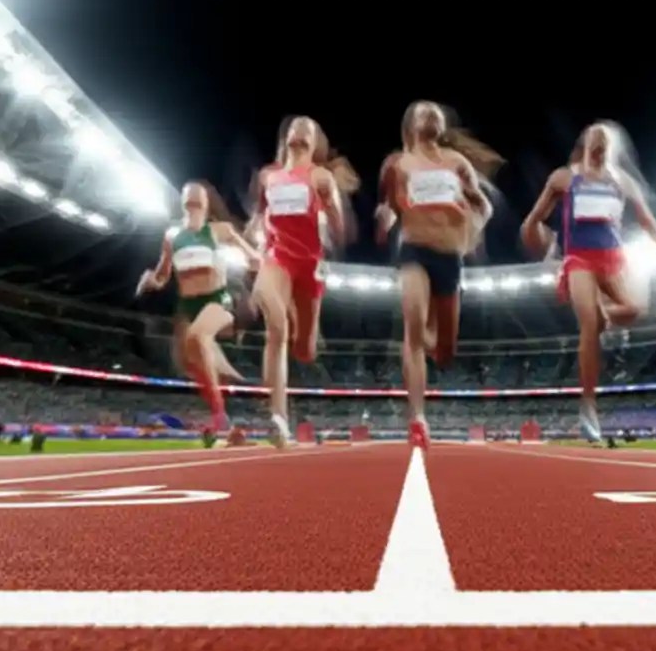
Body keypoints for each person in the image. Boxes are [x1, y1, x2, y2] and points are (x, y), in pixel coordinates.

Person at [519, 122, 656, 442]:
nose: (600, 145)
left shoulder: (622, 181)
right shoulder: (565, 177)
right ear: (584, 145)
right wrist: (540, 240)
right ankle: (588, 406)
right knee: (589, 323)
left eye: (605, 141)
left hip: (612, 259)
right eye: (594, 140)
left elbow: (645, 218)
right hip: (579, 259)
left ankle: (602, 315)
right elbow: (534, 217)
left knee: (634, 309)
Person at [376, 101, 502, 450]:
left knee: (444, 350)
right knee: (412, 329)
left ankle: (432, 337)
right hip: (415, 250)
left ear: (443, 124)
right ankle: (418, 418)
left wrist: (472, 230)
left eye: (435, 112)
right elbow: (390, 204)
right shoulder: (398, 164)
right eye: (421, 112)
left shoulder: (456, 163)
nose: (430, 114)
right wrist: (385, 219)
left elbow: (484, 205)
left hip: (450, 256)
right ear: (410, 125)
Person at [249, 115, 358, 447]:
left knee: (305, 350)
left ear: (316, 143)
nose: (300, 132)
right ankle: (278, 418)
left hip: (310, 264)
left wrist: (333, 207)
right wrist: (252, 238)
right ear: (286, 137)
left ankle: (301, 321)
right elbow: (258, 216)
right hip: (277, 257)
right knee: (276, 326)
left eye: (308, 130)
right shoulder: (268, 176)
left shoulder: (321, 176)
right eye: (295, 128)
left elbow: (342, 232)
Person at [138, 181, 259, 433]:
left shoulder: (219, 231)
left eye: (197, 200)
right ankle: (219, 394)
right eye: (188, 199)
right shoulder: (172, 237)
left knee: (199, 336)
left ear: (206, 204)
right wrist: (150, 279)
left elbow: (253, 257)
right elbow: (163, 276)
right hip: (188, 305)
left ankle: (219, 414)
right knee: (190, 359)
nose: (192, 204)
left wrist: (258, 263)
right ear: (182, 203)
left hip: (217, 299)